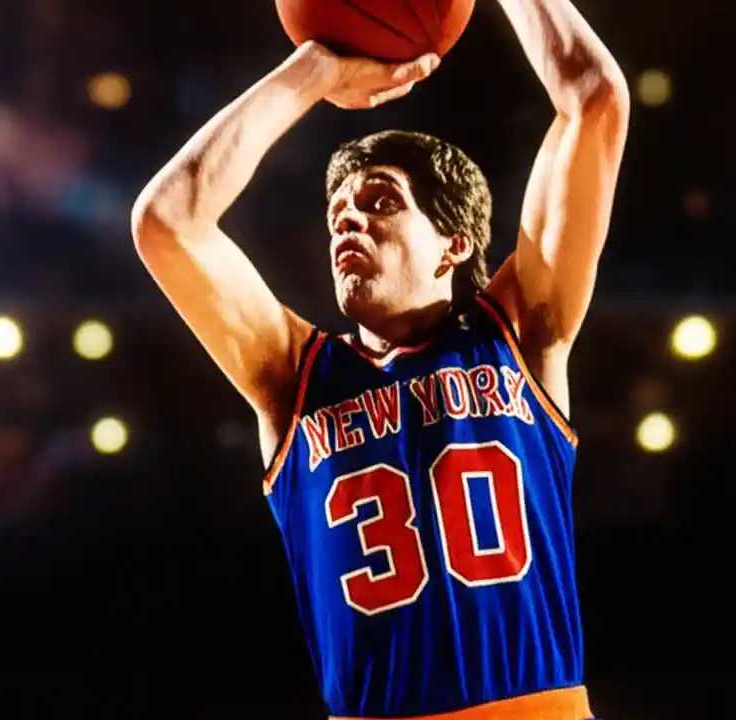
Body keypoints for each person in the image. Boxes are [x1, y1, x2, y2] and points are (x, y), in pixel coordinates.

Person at [131, 0, 629, 716]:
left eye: (378, 201)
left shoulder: (518, 330)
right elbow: (166, 220)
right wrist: (313, 71)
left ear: (454, 244)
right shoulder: (292, 376)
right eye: (337, 214)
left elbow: (595, 99)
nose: (349, 221)